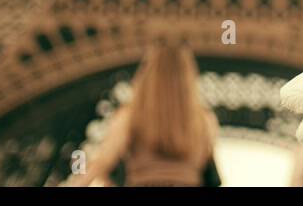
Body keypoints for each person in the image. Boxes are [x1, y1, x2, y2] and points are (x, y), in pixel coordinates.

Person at [64, 42, 221, 187]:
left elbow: (102, 163)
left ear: (149, 73)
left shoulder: (130, 116)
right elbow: (208, 171)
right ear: (188, 76)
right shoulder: (204, 119)